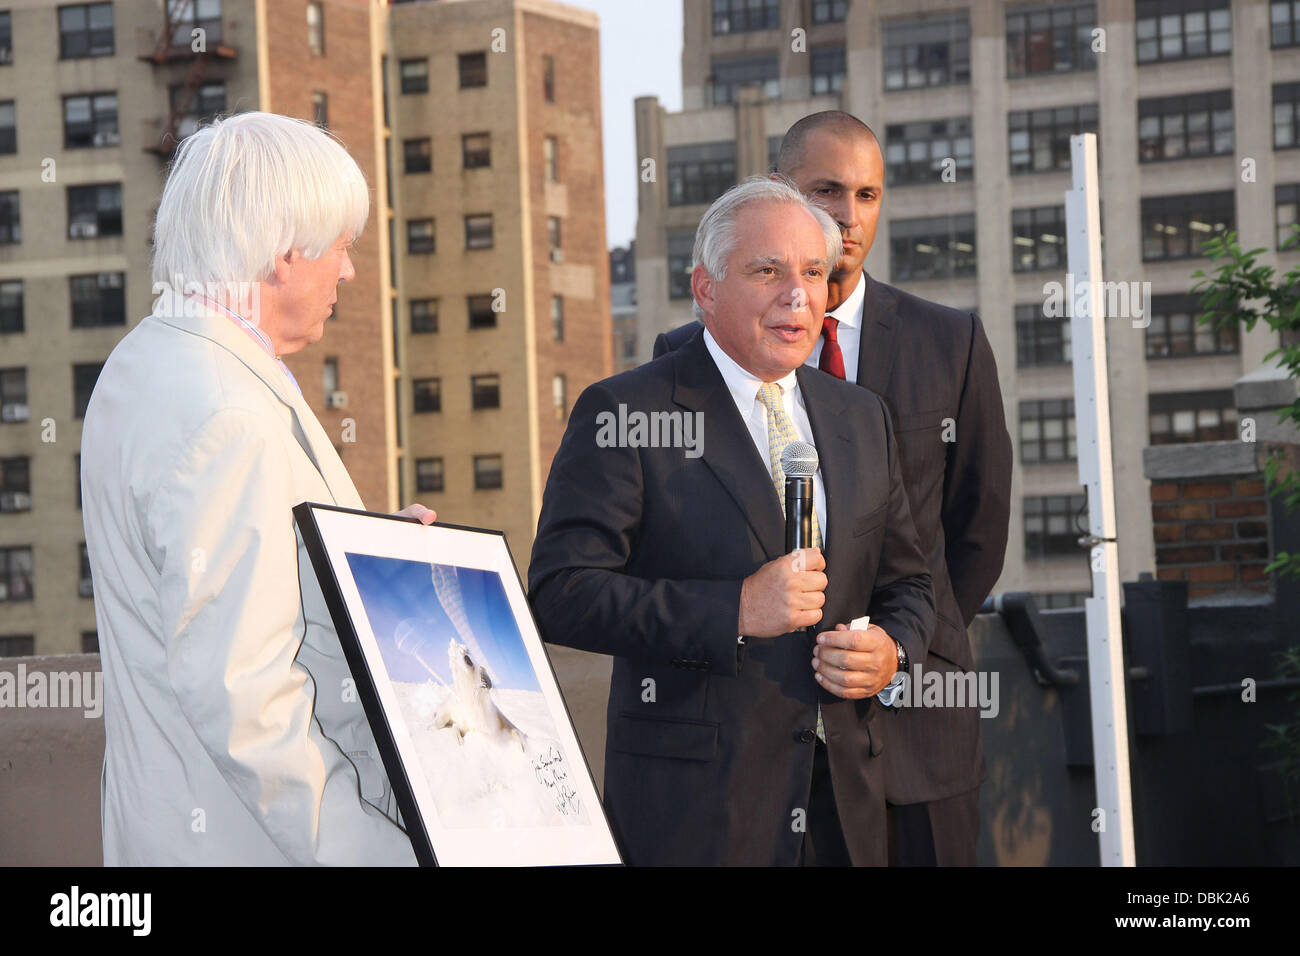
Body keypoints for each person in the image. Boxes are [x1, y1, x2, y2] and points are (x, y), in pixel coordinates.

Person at [529, 177, 934, 865]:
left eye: (813, 272)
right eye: (767, 270)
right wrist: (736, 609)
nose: (797, 294)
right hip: (697, 817)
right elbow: (561, 594)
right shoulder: (626, 410)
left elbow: (911, 585)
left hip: (846, 809)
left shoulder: (861, 417)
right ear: (707, 289)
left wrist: (892, 653)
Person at [653, 111, 1013, 866]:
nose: (848, 216)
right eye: (827, 190)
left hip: (919, 723)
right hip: (761, 747)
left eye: (868, 194)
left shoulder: (951, 343)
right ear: (779, 191)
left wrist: (900, 646)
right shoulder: (687, 357)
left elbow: (977, 526)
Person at [81, 112, 434, 865]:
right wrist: (375, 855)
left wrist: (359, 550)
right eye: (341, 248)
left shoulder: (146, 365)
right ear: (284, 253)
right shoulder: (225, 408)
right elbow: (248, 697)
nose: (348, 272)